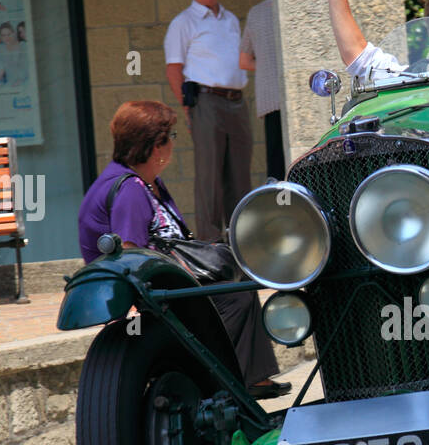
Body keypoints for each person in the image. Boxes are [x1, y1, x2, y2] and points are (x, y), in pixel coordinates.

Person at [77, 101, 289, 399]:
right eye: (170, 138)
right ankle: (221, 381)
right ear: (155, 148)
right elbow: (129, 255)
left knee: (238, 284)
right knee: (235, 297)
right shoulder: (130, 190)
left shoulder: (148, 183)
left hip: (169, 277)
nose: (173, 145)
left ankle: (248, 379)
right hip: (156, 290)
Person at [164, 0, 251, 243]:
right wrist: (188, 110)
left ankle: (243, 248)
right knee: (210, 181)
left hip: (236, 102)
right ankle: (213, 254)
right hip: (206, 103)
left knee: (240, 179)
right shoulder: (183, 23)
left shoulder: (230, 20)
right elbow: (174, 69)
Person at [238, 0, 286, 181]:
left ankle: (281, 206)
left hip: (270, 99)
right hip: (299, 98)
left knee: (277, 167)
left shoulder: (256, 13)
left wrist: (267, 66)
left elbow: (244, 61)